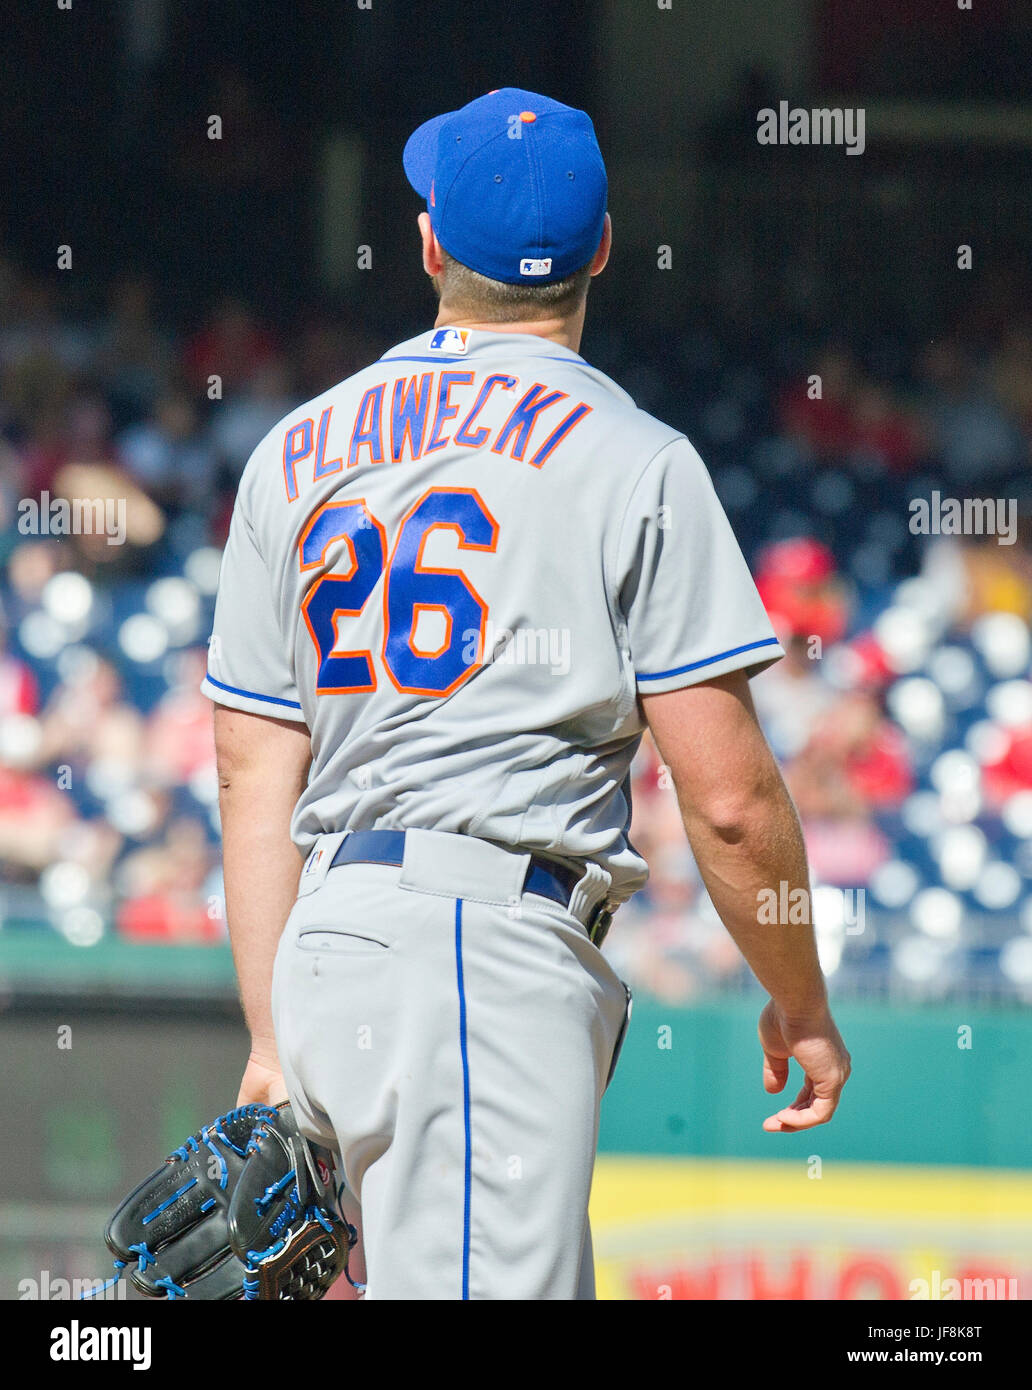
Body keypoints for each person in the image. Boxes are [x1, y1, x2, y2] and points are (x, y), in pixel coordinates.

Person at [203, 88, 850, 1301]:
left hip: (331, 950)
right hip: (478, 953)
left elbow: (252, 767)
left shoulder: (294, 446)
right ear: (604, 248)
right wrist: (800, 999)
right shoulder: (636, 458)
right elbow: (724, 800)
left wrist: (274, 1036)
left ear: (431, 244)